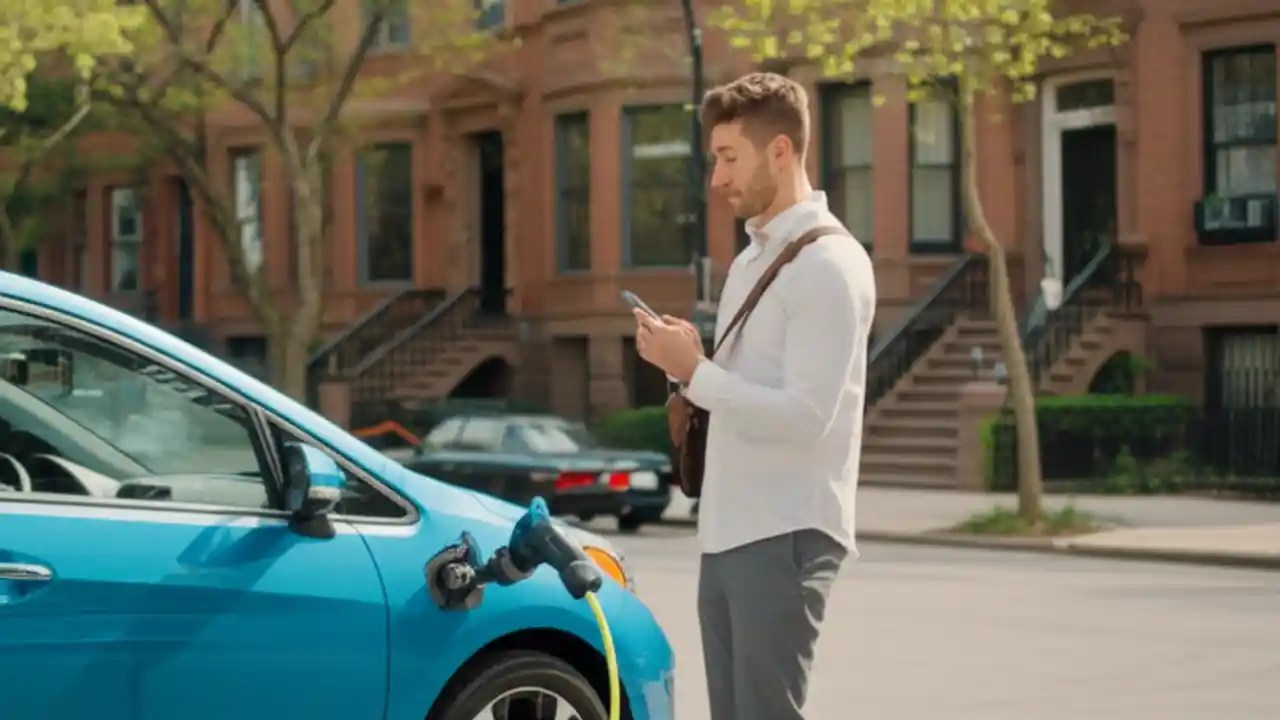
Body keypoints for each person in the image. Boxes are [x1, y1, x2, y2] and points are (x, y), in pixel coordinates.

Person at [633, 71, 875, 720]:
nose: (717, 179)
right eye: (715, 159)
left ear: (780, 152)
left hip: (786, 529)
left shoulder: (829, 266)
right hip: (729, 529)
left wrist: (701, 373)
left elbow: (806, 418)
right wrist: (687, 363)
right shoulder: (751, 259)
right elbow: (747, 389)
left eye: (729, 158)